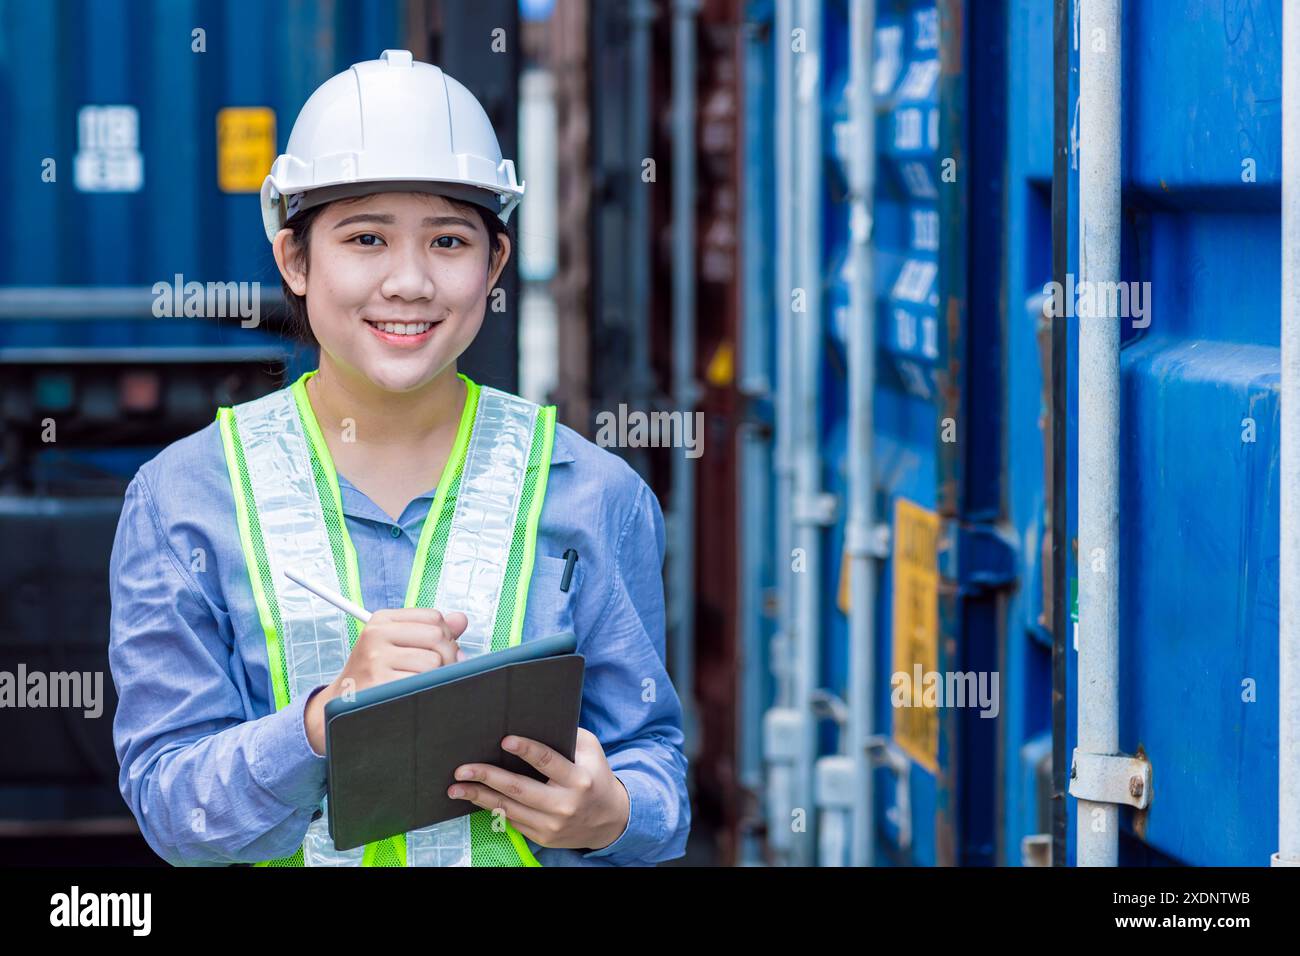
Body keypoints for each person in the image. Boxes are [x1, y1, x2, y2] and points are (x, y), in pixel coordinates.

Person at [107, 50, 690, 867]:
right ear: (295, 261)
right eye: (366, 238)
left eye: (448, 240)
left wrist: (611, 814)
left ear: (493, 266)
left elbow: (655, 767)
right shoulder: (185, 500)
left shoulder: (595, 495)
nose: (410, 282)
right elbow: (173, 809)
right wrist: (323, 721)